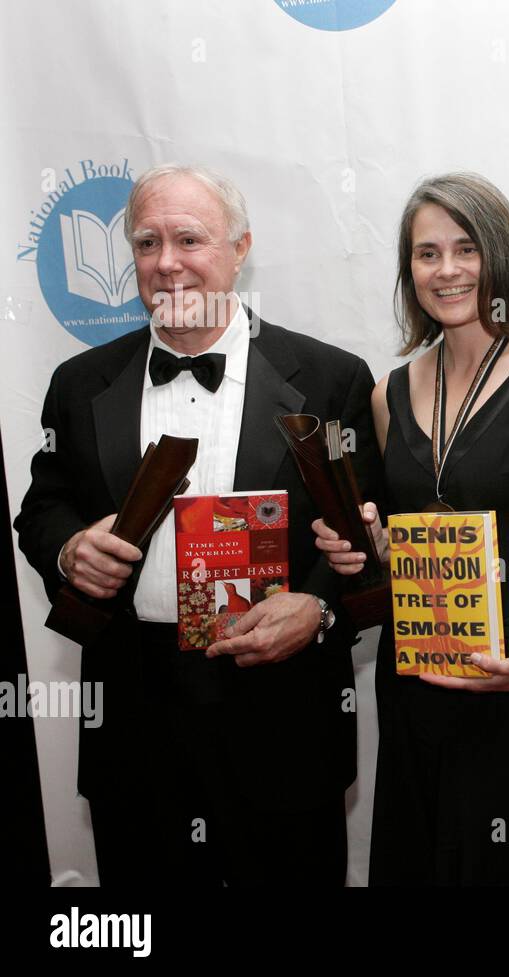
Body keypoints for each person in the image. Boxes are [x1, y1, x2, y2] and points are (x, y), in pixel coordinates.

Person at [14, 163, 382, 884]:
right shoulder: (81, 383)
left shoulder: (332, 377)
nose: (167, 263)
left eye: (190, 238)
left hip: (285, 716)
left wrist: (320, 610)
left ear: (240, 248)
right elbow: (43, 507)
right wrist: (67, 550)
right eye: (147, 243)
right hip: (134, 716)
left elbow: (371, 533)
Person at [312, 172, 509, 884]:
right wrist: (371, 544)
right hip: (417, 680)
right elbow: (406, 537)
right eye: (426, 253)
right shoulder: (389, 393)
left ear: (499, 256)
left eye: (465, 248)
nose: (446, 270)